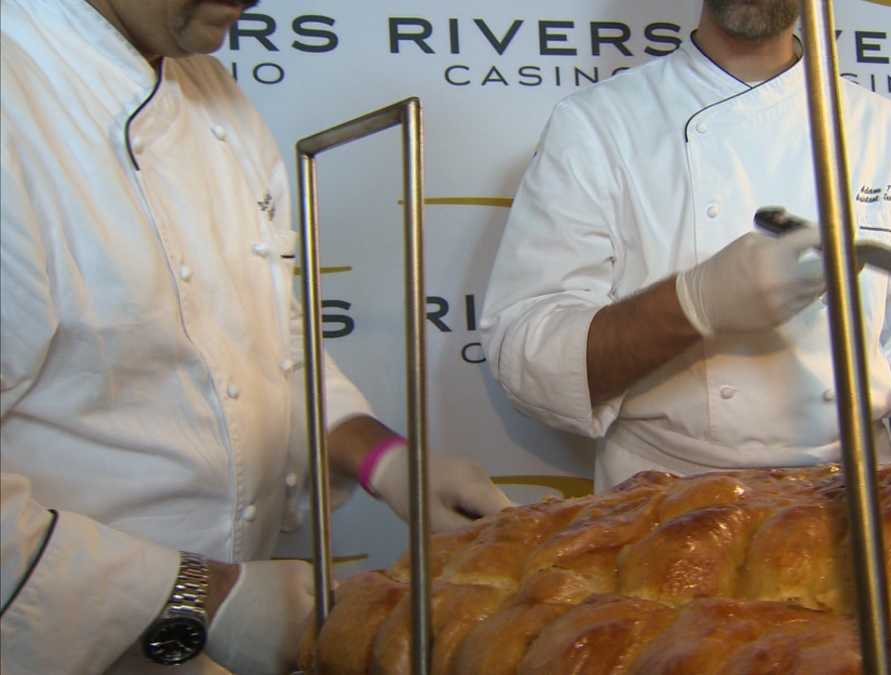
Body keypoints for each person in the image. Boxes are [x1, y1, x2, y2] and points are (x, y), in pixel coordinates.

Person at [0, 1, 512, 673]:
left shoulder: (213, 93)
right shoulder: (17, 95)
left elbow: (270, 348)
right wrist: (204, 596)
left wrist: (385, 461)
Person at [480, 0, 891, 492]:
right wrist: (693, 303)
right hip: (667, 501)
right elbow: (530, 356)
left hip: (859, 493)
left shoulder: (885, 131)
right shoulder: (597, 126)